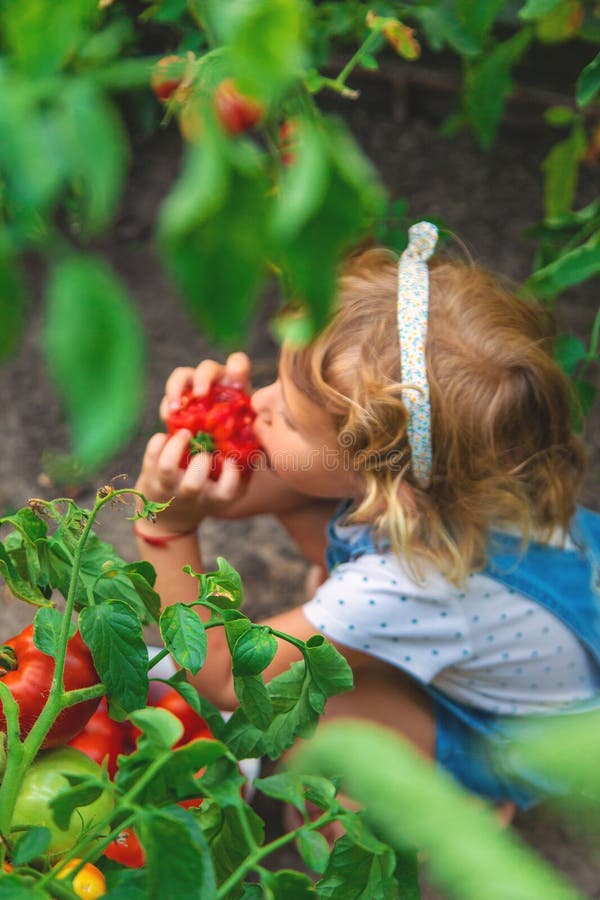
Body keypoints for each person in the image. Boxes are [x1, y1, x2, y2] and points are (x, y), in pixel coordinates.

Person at [134, 222, 600, 815]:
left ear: (389, 490)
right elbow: (262, 484)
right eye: (276, 381)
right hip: (534, 627)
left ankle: (470, 802)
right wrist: (209, 439)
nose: (260, 402)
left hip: (508, 734)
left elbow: (225, 676)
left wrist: (167, 530)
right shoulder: (467, 470)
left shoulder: (411, 583)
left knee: (319, 732)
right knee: (303, 495)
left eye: (293, 421)